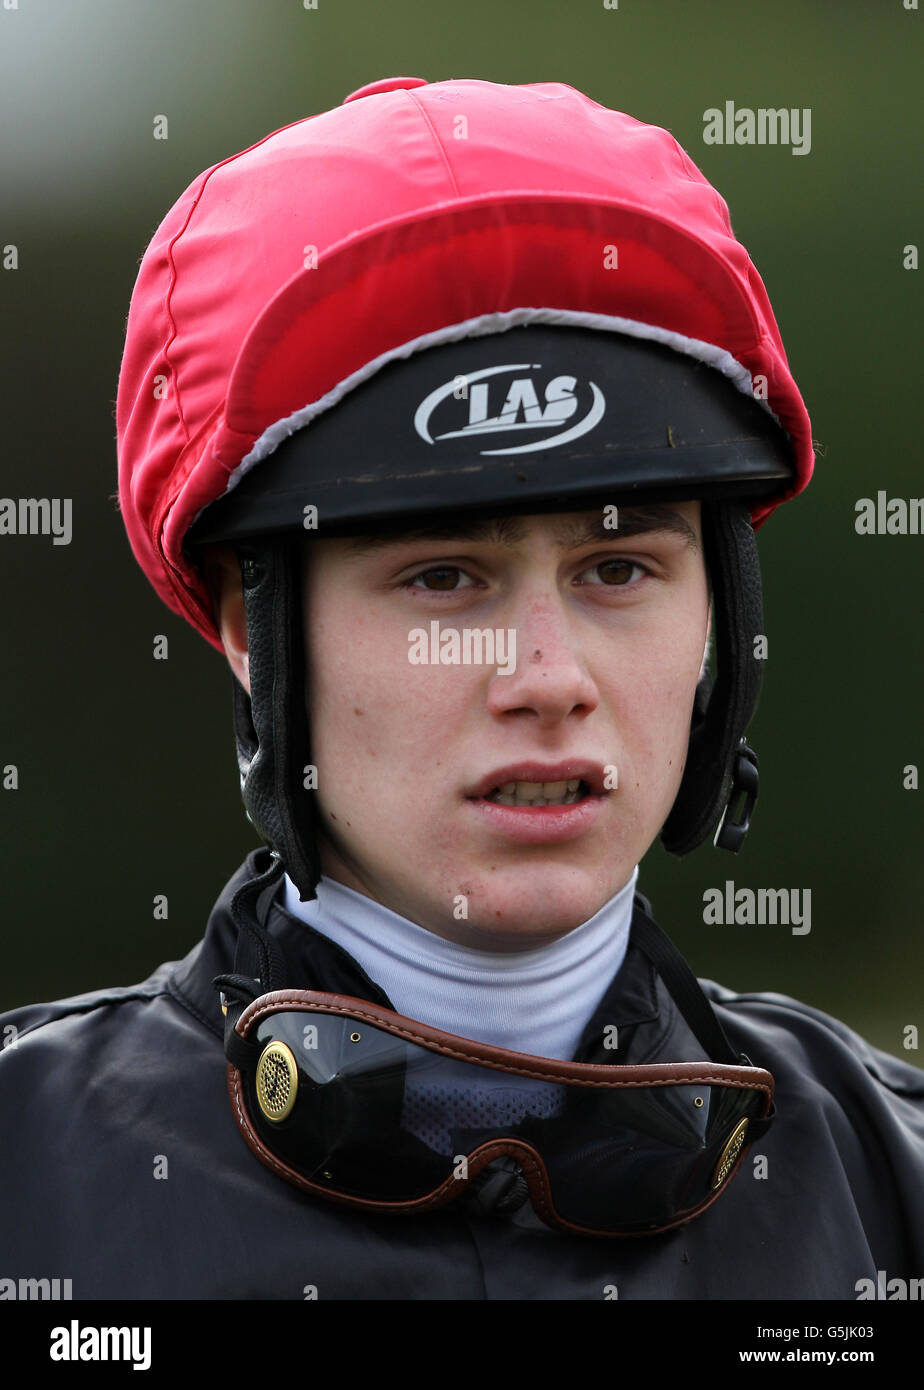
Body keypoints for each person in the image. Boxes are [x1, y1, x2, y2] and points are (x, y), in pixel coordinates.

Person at [1, 75, 922, 1303]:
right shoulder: (29, 1184)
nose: (549, 678)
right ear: (242, 623)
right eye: (444, 577)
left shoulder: (892, 1180)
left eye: (618, 567)